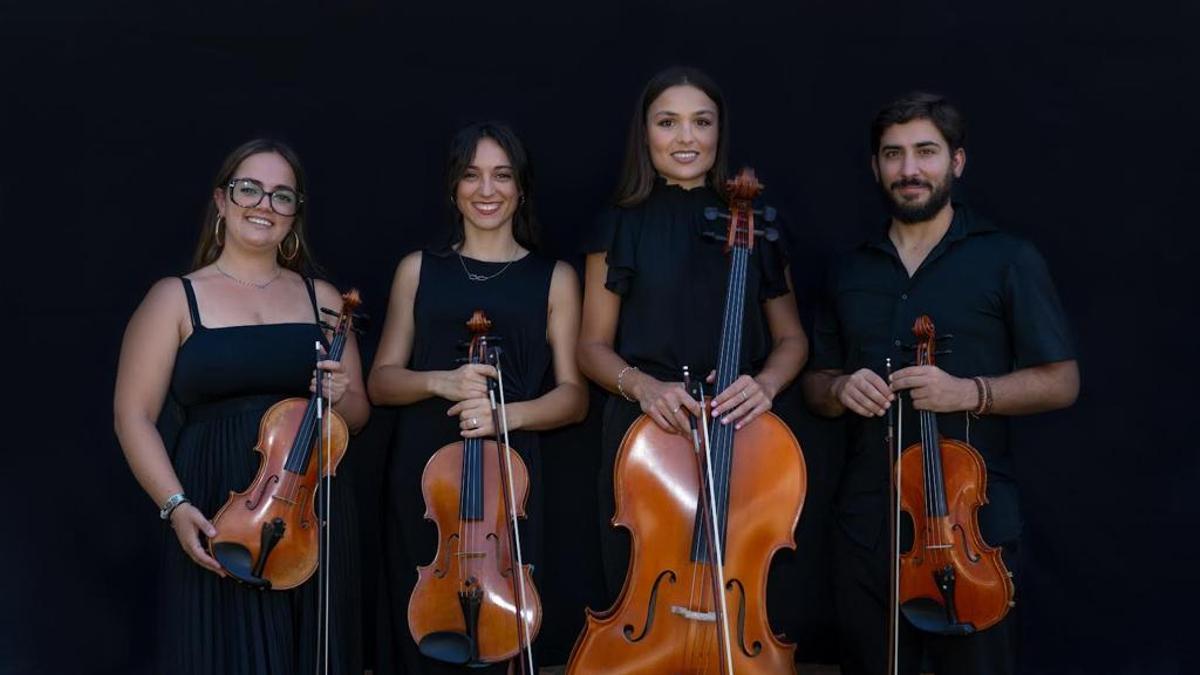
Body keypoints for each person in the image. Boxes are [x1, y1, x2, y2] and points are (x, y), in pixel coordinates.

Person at [801, 92, 1080, 675]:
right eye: (893, 154)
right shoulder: (849, 269)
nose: (909, 169)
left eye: (925, 151)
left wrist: (970, 392)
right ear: (875, 166)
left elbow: (1061, 381)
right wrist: (839, 388)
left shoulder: (1007, 258)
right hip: (867, 526)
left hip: (970, 533)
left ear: (956, 161)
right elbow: (815, 384)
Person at [113, 139, 370, 675]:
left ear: (295, 214)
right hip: (213, 510)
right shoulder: (174, 298)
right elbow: (132, 416)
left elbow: (358, 416)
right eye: (249, 189)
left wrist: (341, 395)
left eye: (282, 195)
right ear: (221, 201)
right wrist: (176, 506)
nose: (264, 205)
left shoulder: (323, 300)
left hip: (309, 514)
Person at [576, 65, 809, 603]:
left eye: (701, 122)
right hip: (648, 431)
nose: (686, 137)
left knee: (744, 574)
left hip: (742, 429)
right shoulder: (619, 222)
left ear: (719, 131)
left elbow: (793, 339)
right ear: (645, 133)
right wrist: (644, 388)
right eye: (668, 122)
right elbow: (590, 346)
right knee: (642, 586)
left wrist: (766, 385)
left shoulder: (756, 221)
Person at [368, 121, 587, 674]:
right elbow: (381, 382)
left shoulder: (555, 278)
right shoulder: (418, 270)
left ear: (522, 188)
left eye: (502, 176)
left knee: (499, 637)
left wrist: (503, 416)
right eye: (472, 175)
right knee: (419, 631)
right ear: (453, 187)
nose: (486, 190)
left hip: (506, 481)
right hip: (425, 480)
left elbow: (574, 398)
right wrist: (439, 381)